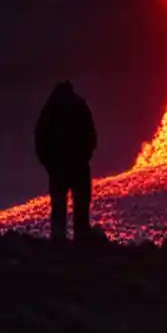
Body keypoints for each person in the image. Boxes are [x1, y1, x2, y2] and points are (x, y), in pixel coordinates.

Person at [34, 81, 97, 242]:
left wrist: (48, 164)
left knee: (58, 206)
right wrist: (84, 157)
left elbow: (40, 139)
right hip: (78, 166)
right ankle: (81, 242)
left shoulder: (50, 109)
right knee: (81, 204)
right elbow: (91, 136)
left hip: (59, 167)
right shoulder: (80, 107)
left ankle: (58, 241)